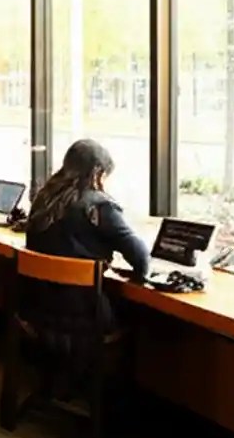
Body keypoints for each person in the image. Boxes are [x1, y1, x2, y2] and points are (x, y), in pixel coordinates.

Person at [21, 139, 150, 367]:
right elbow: (141, 260)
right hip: (83, 314)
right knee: (145, 317)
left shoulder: (43, 198)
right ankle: (109, 394)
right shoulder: (99, 206)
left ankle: (63, 377)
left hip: (36, 308)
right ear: (98, 173)